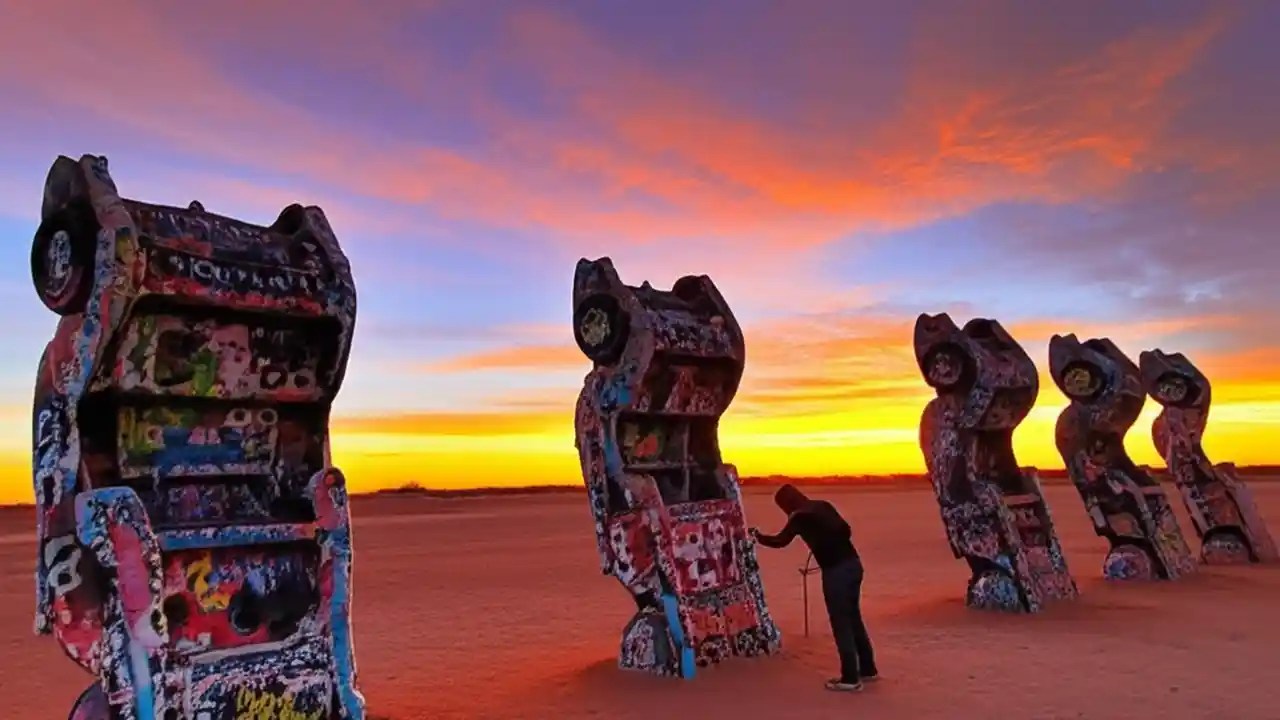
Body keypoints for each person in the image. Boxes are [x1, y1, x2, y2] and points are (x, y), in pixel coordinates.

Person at [751, 484, 878, 692]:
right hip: (854, 565)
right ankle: (868, 668)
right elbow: (847, 530)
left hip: (835, 572)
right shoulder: (822, 505)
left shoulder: (799, 517)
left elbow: (780, 541)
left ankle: (850, 678)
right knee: (853, 617)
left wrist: (758, 536)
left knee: (841, 623)